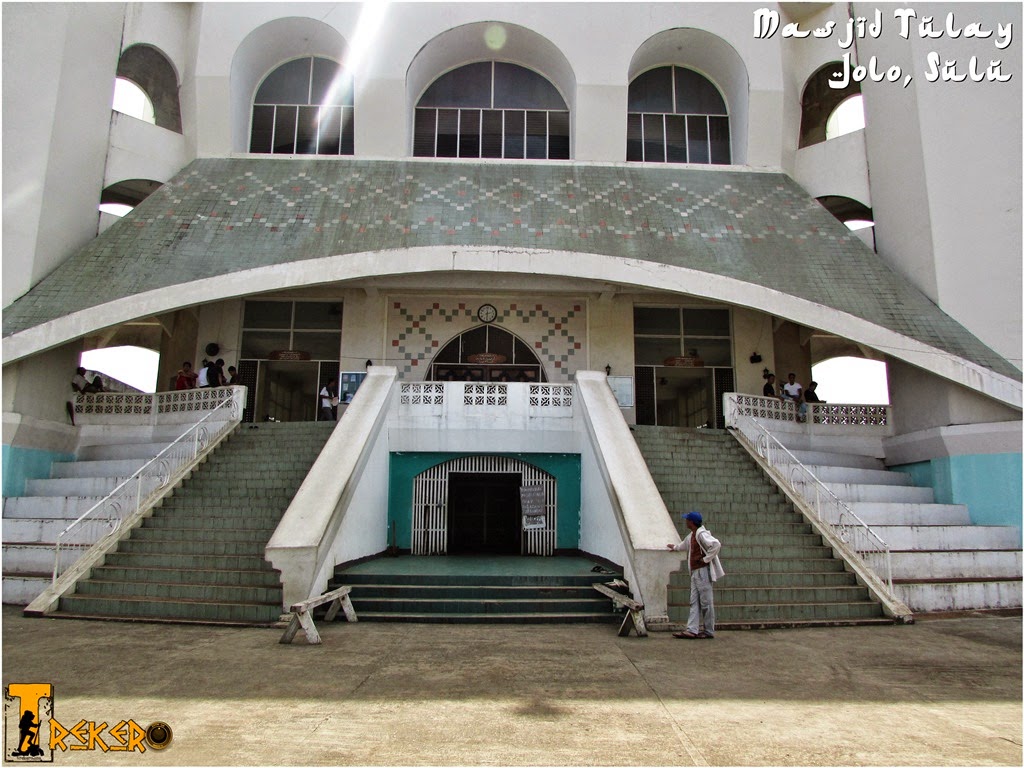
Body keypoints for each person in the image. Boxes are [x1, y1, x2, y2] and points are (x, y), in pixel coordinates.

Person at [666, 511, 724, 639]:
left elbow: (716, 544)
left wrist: (706, 559)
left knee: (706, 602)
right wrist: (675, 547)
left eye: (687, 520)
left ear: (691, 522)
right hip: (695, 572)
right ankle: (692, 630)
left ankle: (708, 631)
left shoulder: (701, 534)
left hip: (702, 571)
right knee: (694, 601)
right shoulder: (693, 535)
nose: (686, 522)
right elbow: (684, 545)